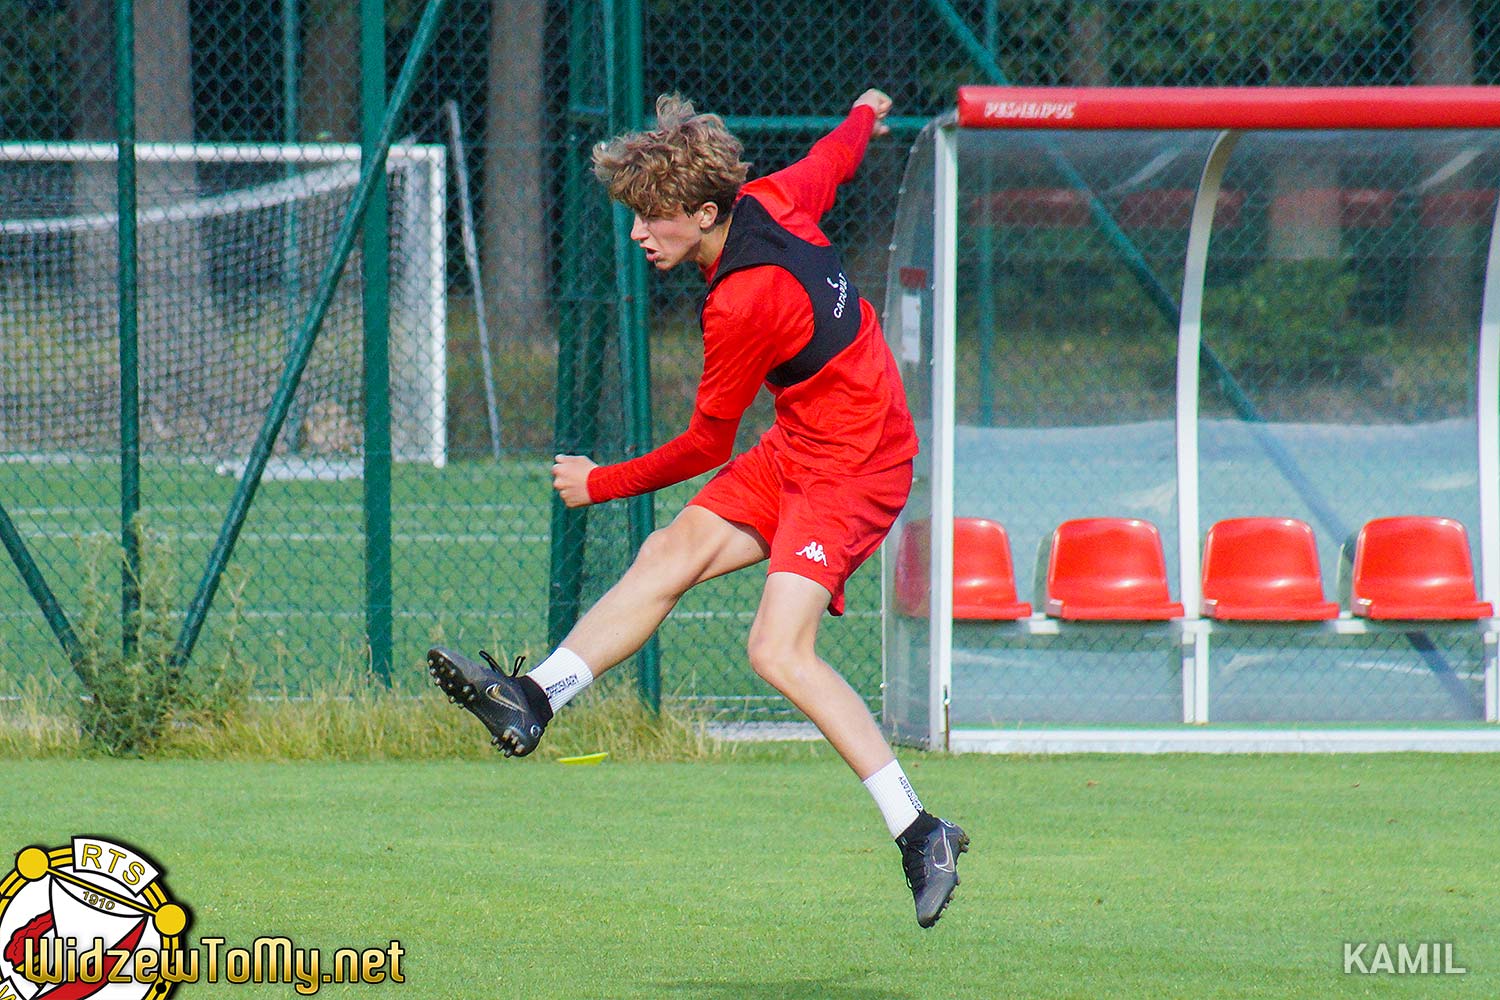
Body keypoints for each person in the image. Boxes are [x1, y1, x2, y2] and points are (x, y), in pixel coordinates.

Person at [428, 88, 968, 928]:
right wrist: (865, 114)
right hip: (801, 444)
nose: (639, 233)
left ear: (706, 211)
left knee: (777, 650)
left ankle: (920, 828)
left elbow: (704, 448)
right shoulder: (778, 195)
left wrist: (599, 483)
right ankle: (531, 700)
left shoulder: (740, 302)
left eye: (652, 217)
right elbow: (835, 158)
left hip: (858, 467)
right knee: (665, 557)